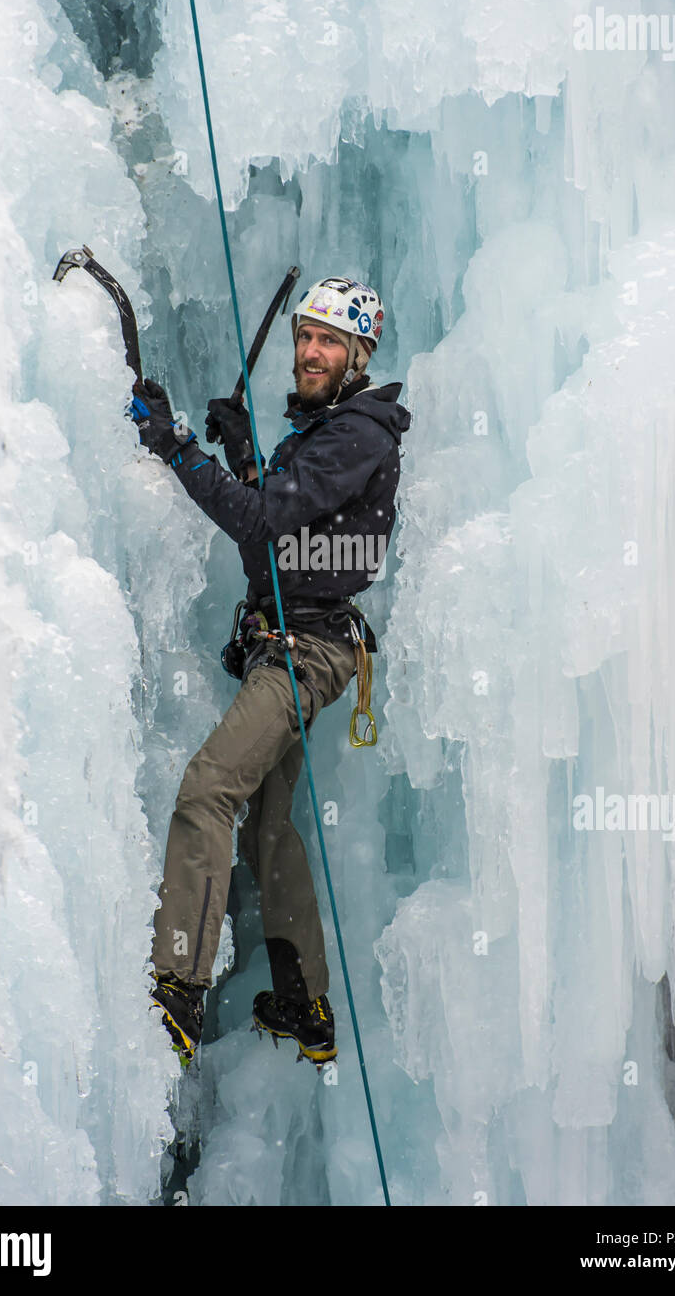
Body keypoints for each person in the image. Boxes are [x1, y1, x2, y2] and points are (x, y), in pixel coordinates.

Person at [130, 276, 410, 1067]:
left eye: (329, 341)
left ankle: (177, 983)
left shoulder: (359, 433)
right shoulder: (327, 433)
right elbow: (276, 536)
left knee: (207, 788)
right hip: (290, 641)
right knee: (269, 824)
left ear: (358, 355)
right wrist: (242, 450)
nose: (310, 352)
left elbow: (259, 521)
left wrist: (177, 448)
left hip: (304, 652)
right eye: (304, 337)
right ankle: (301, 999)